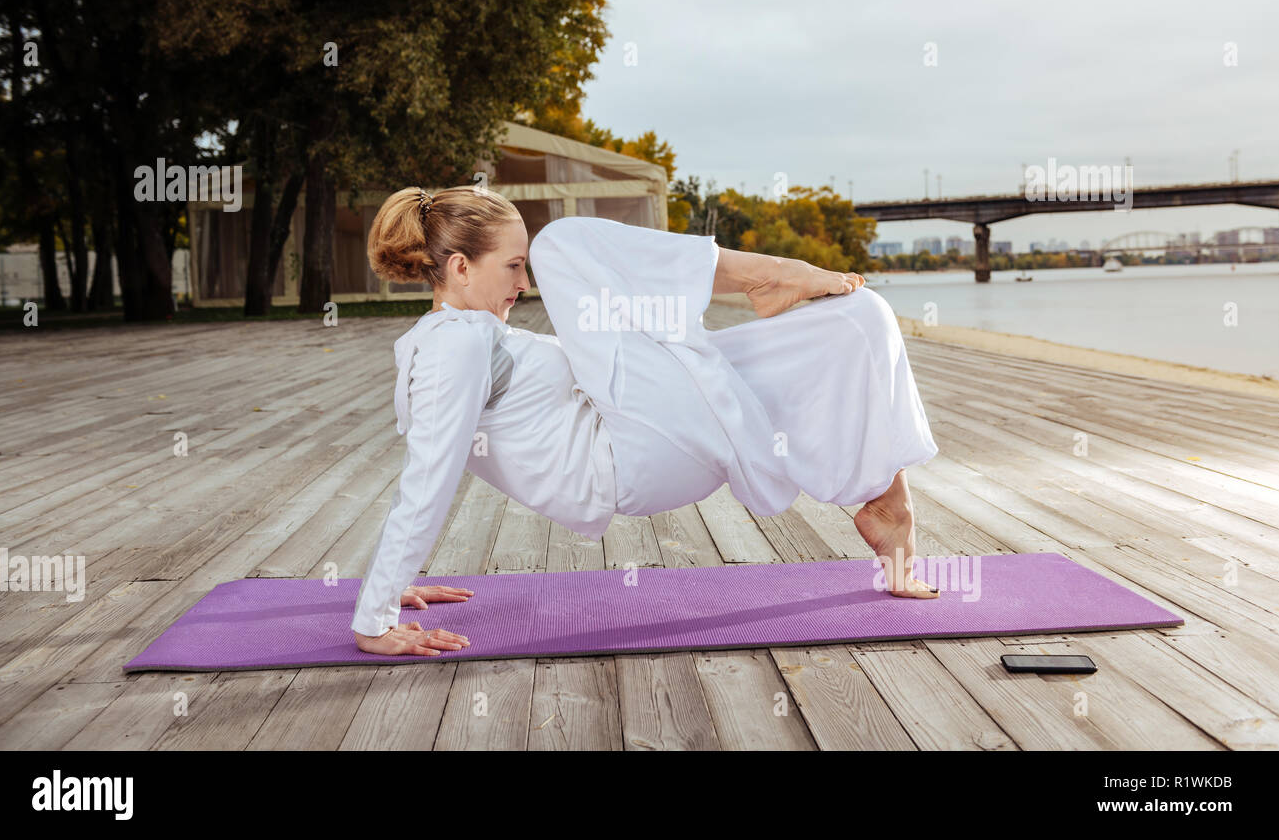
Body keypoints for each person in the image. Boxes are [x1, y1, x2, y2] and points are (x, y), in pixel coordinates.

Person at [352, 185, 941, 657]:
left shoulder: (459, 339)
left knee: (860, 318)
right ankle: (772, 274)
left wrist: (398, 577)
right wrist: (375, 617)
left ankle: (890, 508)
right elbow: (430, 471)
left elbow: (434, 448)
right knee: (562, 244)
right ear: (458, 266)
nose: (524, 283)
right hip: (630, 457)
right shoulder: (453, 345)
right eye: (511, 266)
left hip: (643, 435)